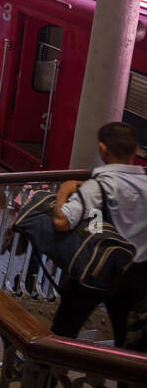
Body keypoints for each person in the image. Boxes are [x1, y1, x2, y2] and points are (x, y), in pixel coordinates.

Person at [49, 122, 147, 347]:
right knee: (129, 339)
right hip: (139, 273)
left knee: (64, 329)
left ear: (103, 148)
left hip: (96, 271)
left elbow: (61, 222)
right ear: (135, 150)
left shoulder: (97, 187)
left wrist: (63, 193)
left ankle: (46, 374)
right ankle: (125, 379)